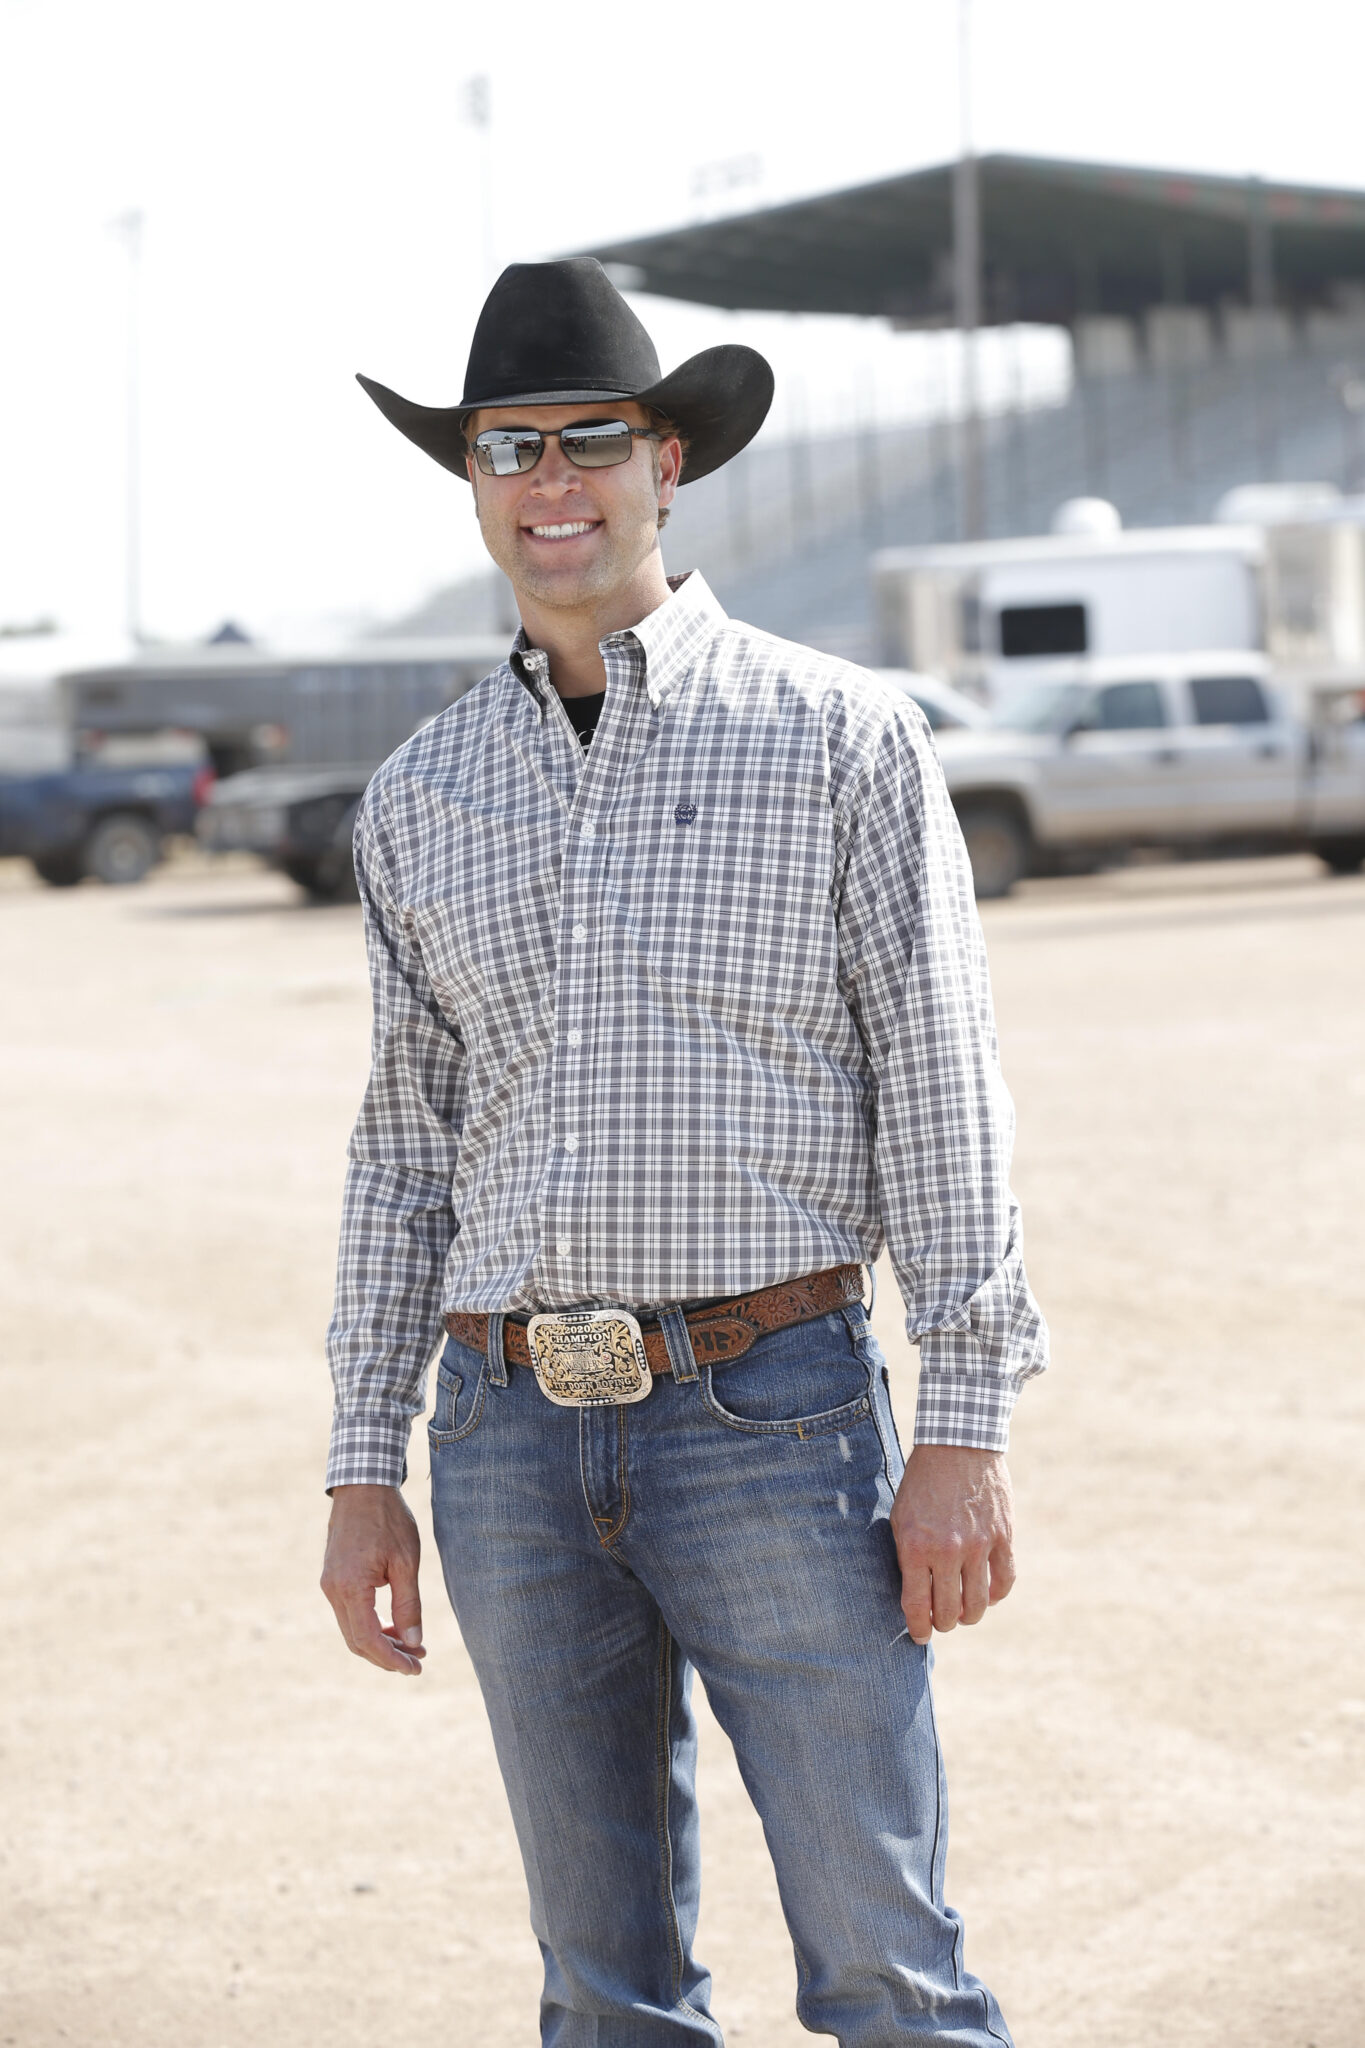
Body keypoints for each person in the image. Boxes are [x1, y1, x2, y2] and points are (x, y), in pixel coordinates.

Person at [321, 257, 1048, 2046]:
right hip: (500, 1440)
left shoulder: (841, 740)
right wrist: (361, 1463)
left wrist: (959, 1424)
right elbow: (404, 1150)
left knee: (888, 1968)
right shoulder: (421, 793)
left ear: (663, 463)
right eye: (510, 448)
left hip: (772, 1417)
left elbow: (940, 1089)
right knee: (601, 1989)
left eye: (585, 443)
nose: (548, 484)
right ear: (475, 478)